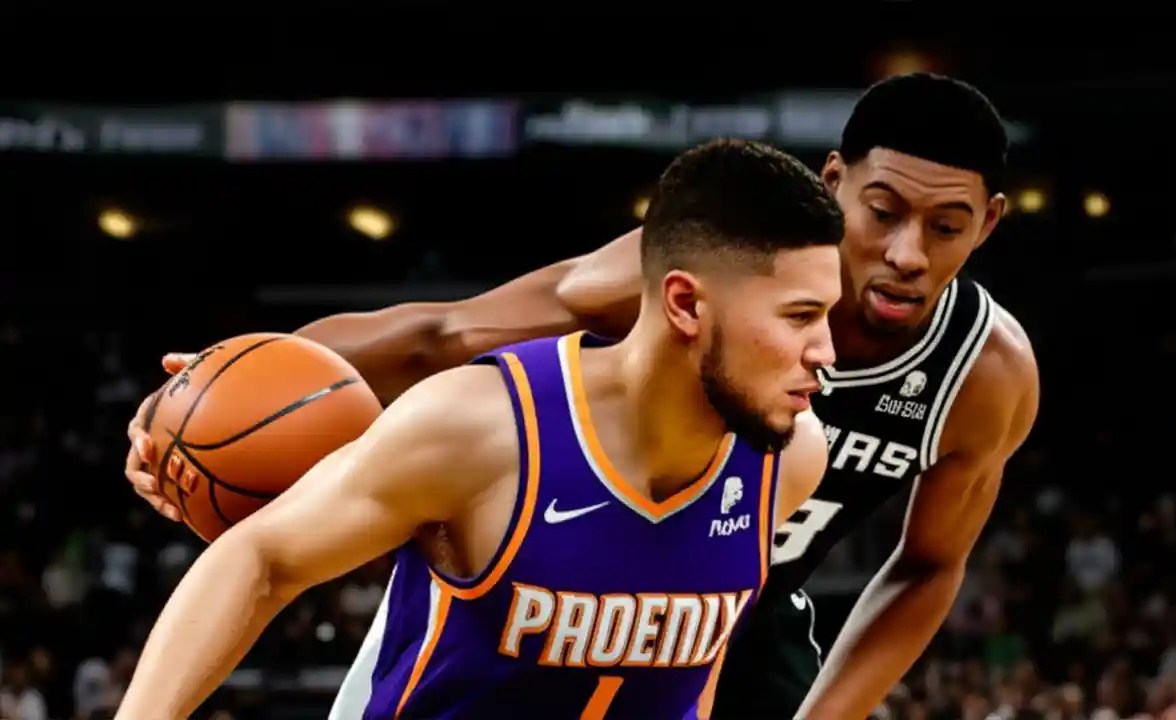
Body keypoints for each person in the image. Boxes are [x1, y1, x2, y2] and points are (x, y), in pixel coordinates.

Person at [125, 72, 1041, 720]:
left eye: (946, 226)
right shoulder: (636, 299)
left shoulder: (967, 382)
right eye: (883, 213)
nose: (907, 252)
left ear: (989, 224)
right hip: (545, 544)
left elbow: (929, 569)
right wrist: (225, 381)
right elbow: (445, 332)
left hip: (733, 607)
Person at [115, 138, 844, 720]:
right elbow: (260, 558)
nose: (827, 351)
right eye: (800, 317)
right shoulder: (484, 426)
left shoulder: (790, 457)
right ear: (685, 305)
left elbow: (689, 682)